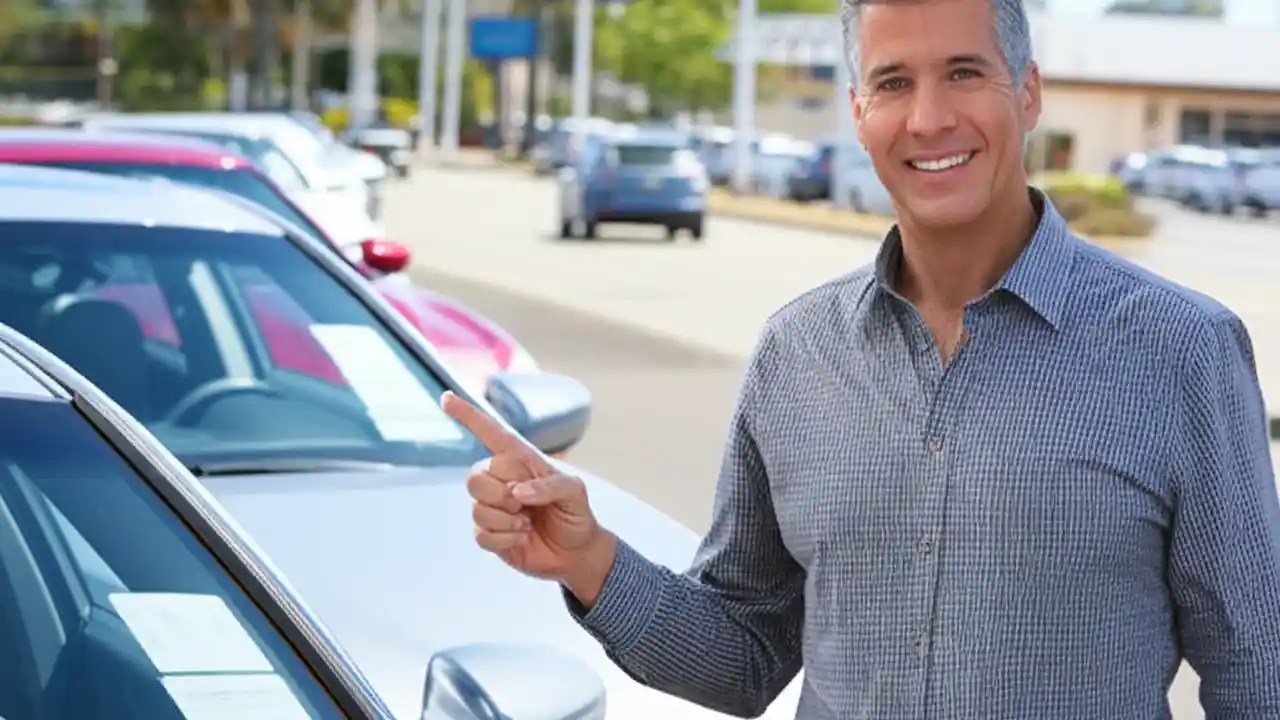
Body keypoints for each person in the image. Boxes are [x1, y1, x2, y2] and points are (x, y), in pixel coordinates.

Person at [441, 0, 1280, 717]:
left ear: (1026, 94)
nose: (927, 119)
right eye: (893, 83)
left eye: (963, 73)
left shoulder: (1181, 353)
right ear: (857, 111)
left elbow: (1259, 675)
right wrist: (591, 559)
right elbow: (744, 655)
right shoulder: (794, 355)